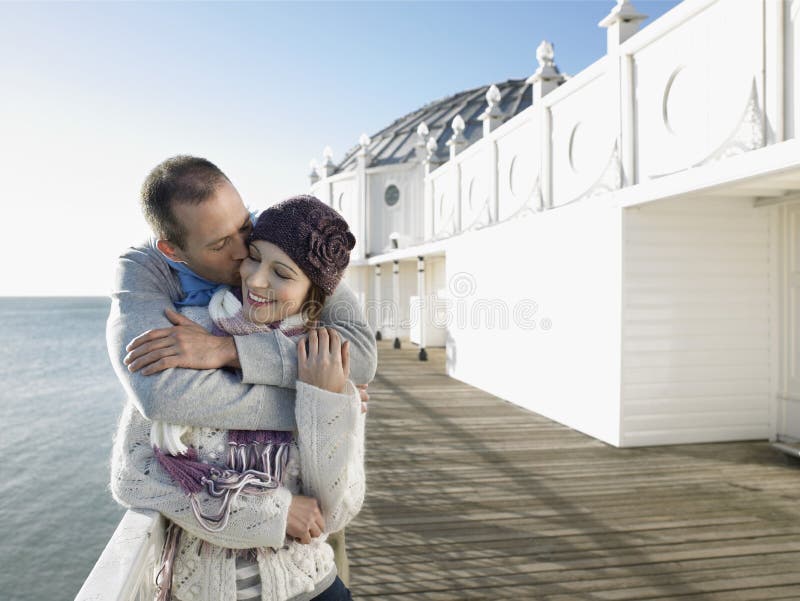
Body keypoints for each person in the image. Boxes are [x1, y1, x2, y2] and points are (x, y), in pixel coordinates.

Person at [106, 156, 375, 584]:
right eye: (219, 245)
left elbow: (358, 355)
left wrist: (230, 351)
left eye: (245, 227)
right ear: (173, 250)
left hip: (310, 577)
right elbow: (159, 401)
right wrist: (321, 400)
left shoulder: (284, 241)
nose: (243, 259)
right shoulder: (168, 307)